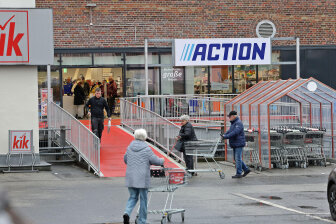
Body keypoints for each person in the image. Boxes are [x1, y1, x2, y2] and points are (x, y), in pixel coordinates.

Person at [123, 129, 164, 224]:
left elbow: (125, 160)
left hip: (131, 177)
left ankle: (127, 213)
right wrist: (162, 160)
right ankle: (142, 220)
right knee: (143, 199)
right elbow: (155, 161)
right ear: (145, 137)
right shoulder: (146, 149)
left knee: (133, 197)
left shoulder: (129, 147)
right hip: (142, 178)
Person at [221, 111, 250, 178]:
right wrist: (224, 134)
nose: (229, 118)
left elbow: (235, 132)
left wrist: (226, 136)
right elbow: (230, 131)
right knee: (237, 158)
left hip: (238, 143)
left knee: (238, 158)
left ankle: (239, 173)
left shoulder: (238, 123)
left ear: (233, 116)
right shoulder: (234, 123)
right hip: (236, 143)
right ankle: (246, 169)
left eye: (230, 117)